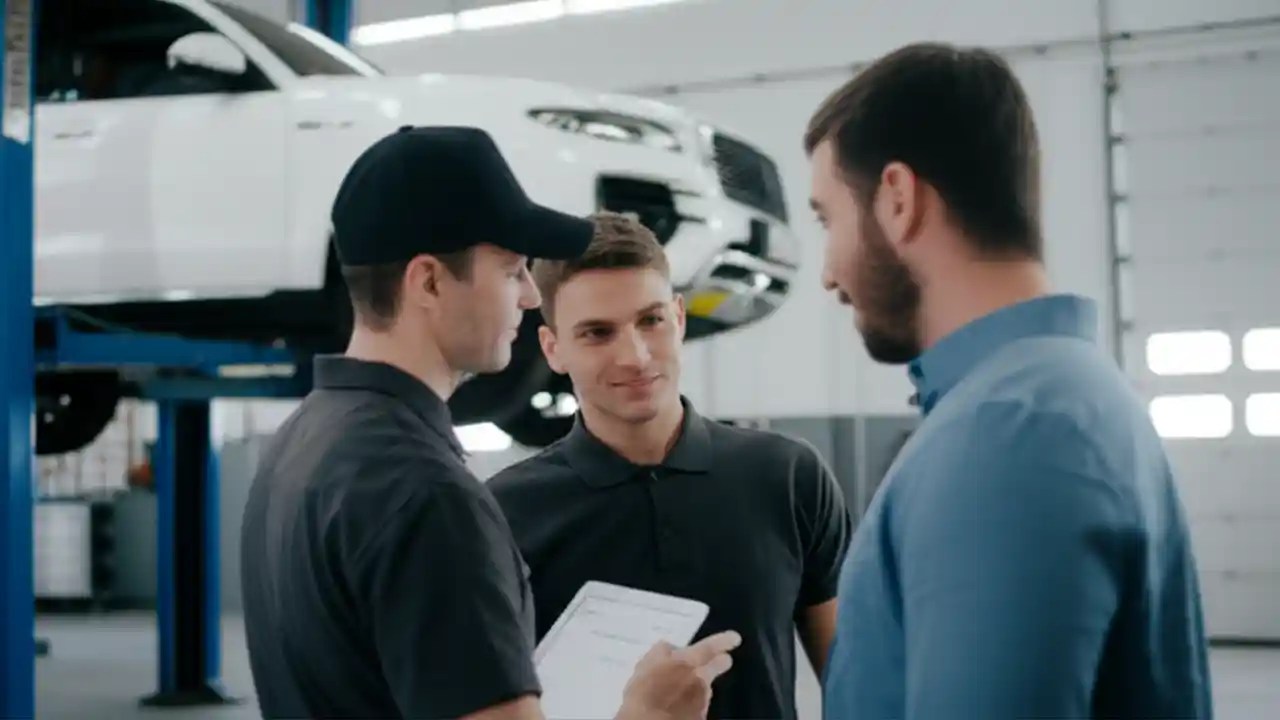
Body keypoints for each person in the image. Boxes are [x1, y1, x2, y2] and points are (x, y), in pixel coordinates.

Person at [239, 126, 741, 720]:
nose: (530, 295)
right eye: (510, 269)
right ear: (429, 281)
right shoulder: (426, 494)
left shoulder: (301, 442)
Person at [804, 42, 1213, 719]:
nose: (826, 272)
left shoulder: (1010, 432)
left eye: (828, 219)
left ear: (898, 200)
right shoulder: (1058, 393)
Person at [488, 211, 853, 720]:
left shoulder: (788, 477)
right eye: (597, 333)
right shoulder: (502, 514)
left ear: (679, 318)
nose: (635, 356)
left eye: (651, 320)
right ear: (554, 349)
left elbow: (855, 683)